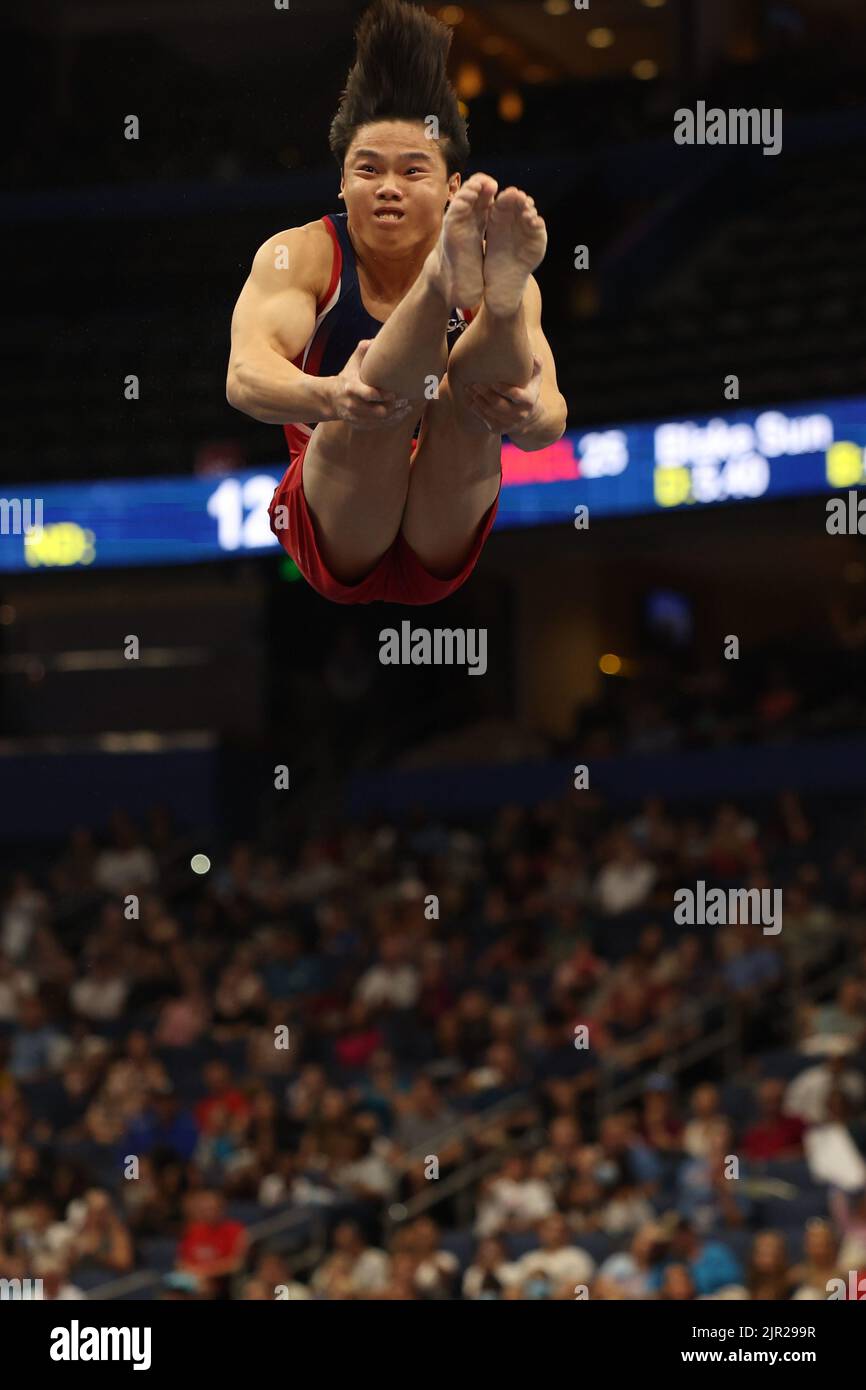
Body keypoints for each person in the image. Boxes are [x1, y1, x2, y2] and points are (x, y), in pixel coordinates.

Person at [227, 0, 565, 605]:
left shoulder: (496, 270)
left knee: (478, 404)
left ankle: (495, 307)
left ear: (452, 188)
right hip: (333, 503)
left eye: (413, 171)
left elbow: (551, 421)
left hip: (444, 507)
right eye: (368, 169)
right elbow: (245, 378)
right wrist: (330, 395)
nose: (387, 186)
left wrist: (527, 415)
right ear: (341, 183)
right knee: (378, 401)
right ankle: (442, 284)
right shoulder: (301, 254)